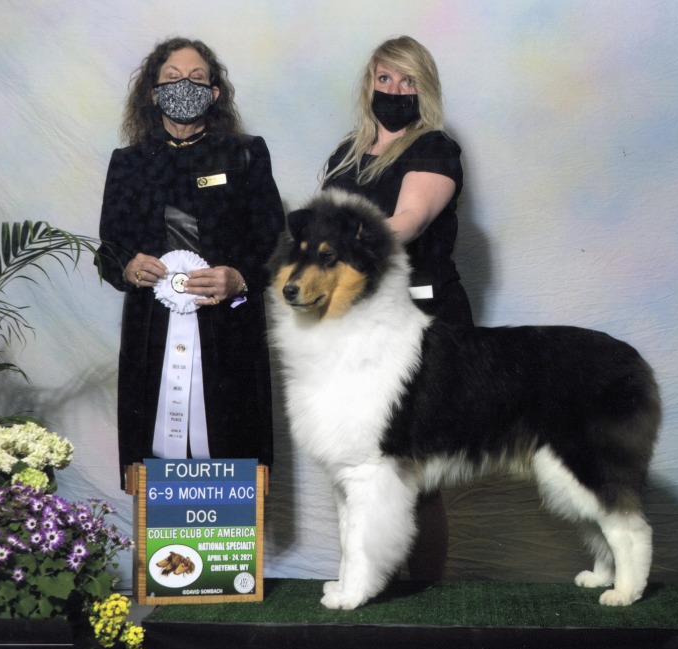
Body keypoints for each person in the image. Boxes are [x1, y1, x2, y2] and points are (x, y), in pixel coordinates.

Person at [97, 37, 284, 490]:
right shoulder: (128, 163)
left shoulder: (246, 154)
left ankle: (233, 537)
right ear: (153, 93)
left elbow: (273, 241)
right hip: (152, 331)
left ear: (215, 93)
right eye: (173, 77)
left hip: (230, 329)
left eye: (197, 78)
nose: (185, 85)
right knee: (154, 457)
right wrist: (126, 267)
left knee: (234, 449)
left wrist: (240, 277)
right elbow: (109, 248)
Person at [322, 35, 474, 581]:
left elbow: (409, 221)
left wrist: (339, 246)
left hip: (422, 323)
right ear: (369, 83)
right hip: (353, 325)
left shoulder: (434, 146)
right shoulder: (346, 152)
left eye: (408, 80)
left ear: (424, 87)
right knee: (359, 464)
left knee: (412, 468)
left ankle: (424, 593)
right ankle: (365, 579)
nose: (394, 89)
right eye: (384, 78)